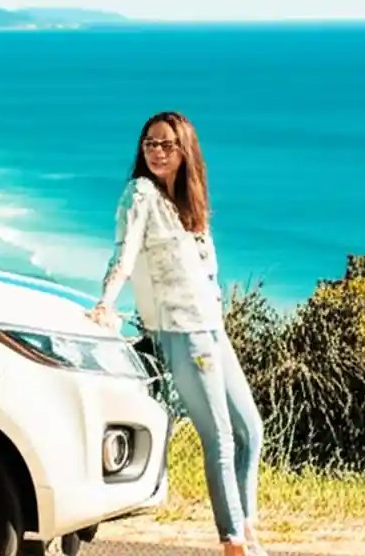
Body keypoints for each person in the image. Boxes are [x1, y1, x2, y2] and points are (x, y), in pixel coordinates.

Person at [86, 111, 268, 556]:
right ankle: (233, 542)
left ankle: (247, 528)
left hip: (212, 331)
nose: (157, 151)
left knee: (252, 431)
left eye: (167, 144)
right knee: (220, 437)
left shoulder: (189, 206)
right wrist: (106, 301)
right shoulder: (140, 194)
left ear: (185, 150)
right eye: (150, 143)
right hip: (183, 333)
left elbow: (206, 278)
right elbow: (124, 254)